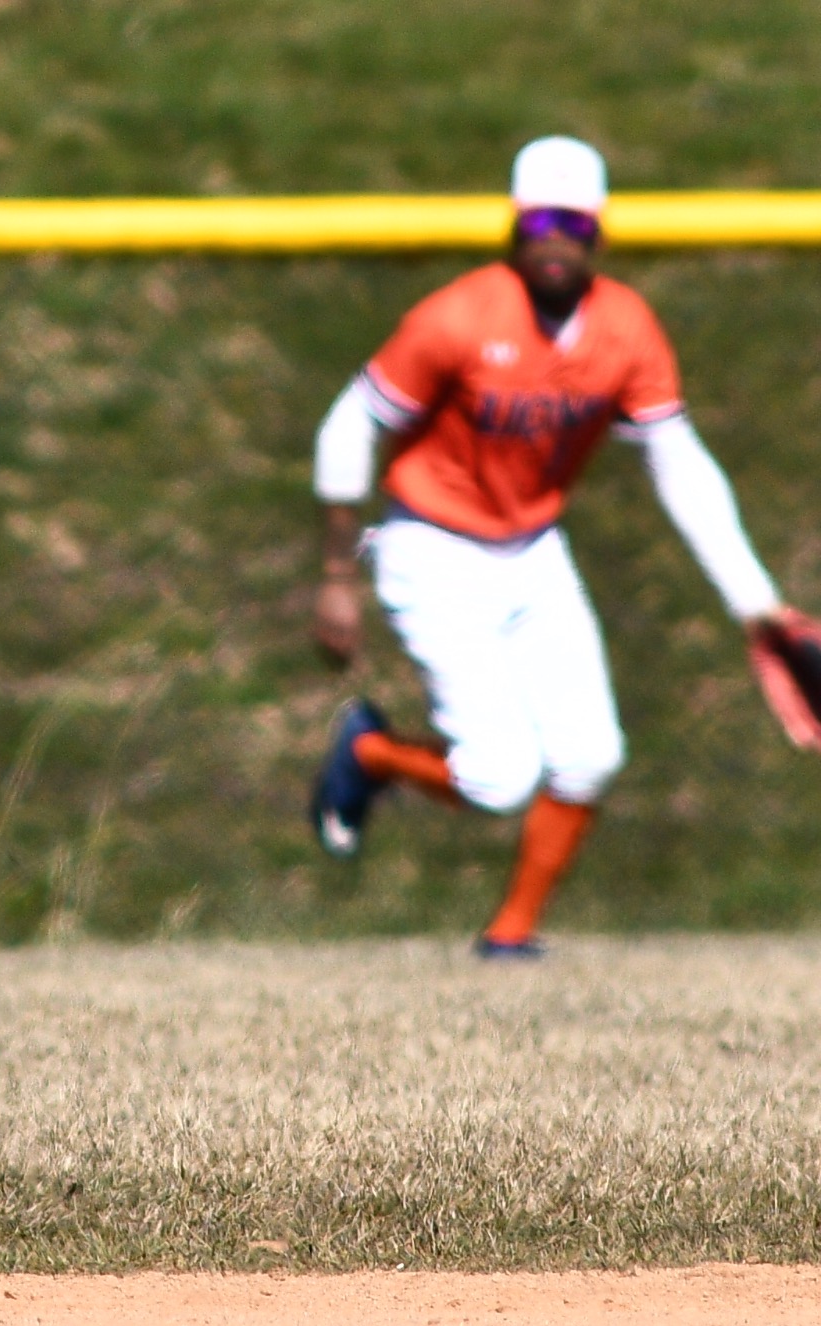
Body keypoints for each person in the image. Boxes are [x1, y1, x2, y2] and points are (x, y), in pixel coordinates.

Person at [307, 136, 791, 958]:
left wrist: (755, 605)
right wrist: (334, 574)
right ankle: (369, 752)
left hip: (533, 549)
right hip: (433, 545)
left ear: (597, 228)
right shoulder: (459, 315)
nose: (554, 236)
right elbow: (351, 422)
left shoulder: (625, 328)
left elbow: (679, 462)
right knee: (499, 778)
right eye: (539, 218)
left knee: (591, 756)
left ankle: (510, 935)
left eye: (571, 219)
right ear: (514, 223)